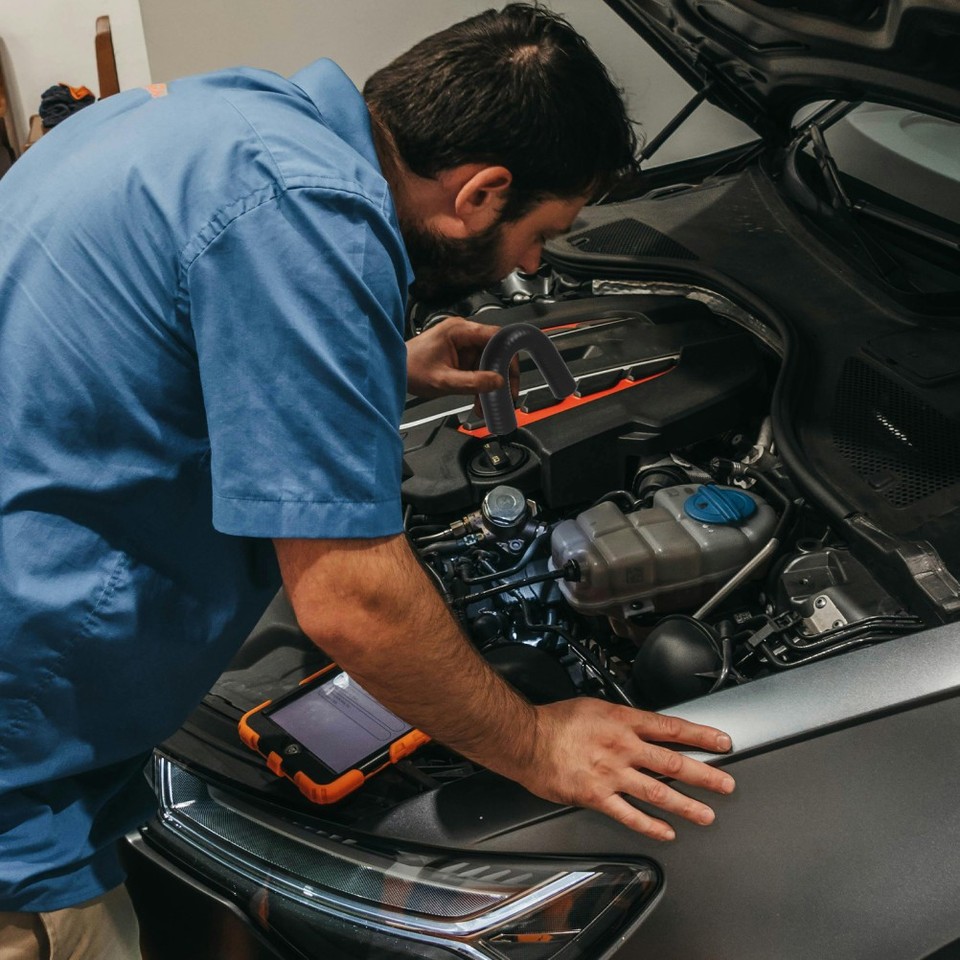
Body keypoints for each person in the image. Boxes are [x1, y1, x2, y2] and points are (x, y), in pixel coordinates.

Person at [0, 5, 735, 958]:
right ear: (481, 194)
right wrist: (538, 743)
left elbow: (140, 350)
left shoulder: (215, 117)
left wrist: (375, 360)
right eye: (543, 233)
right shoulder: (313, 216)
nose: (534, 264)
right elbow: (355, 605)